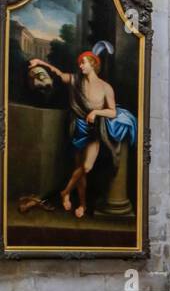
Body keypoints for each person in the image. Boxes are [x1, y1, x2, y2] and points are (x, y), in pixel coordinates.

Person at [27, 42, 136, 219]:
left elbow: (113, 111)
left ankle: (65, 192)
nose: (80, 66)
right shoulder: (75, 80)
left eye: (83, 63)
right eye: (79, 63)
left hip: (95, 130)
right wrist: (41, 62)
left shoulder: (105, 87)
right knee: (79, 168)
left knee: (86, 167)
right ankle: (83, 205)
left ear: (93, 64)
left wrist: (96, 111)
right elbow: (59, 74)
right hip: (78, 127)